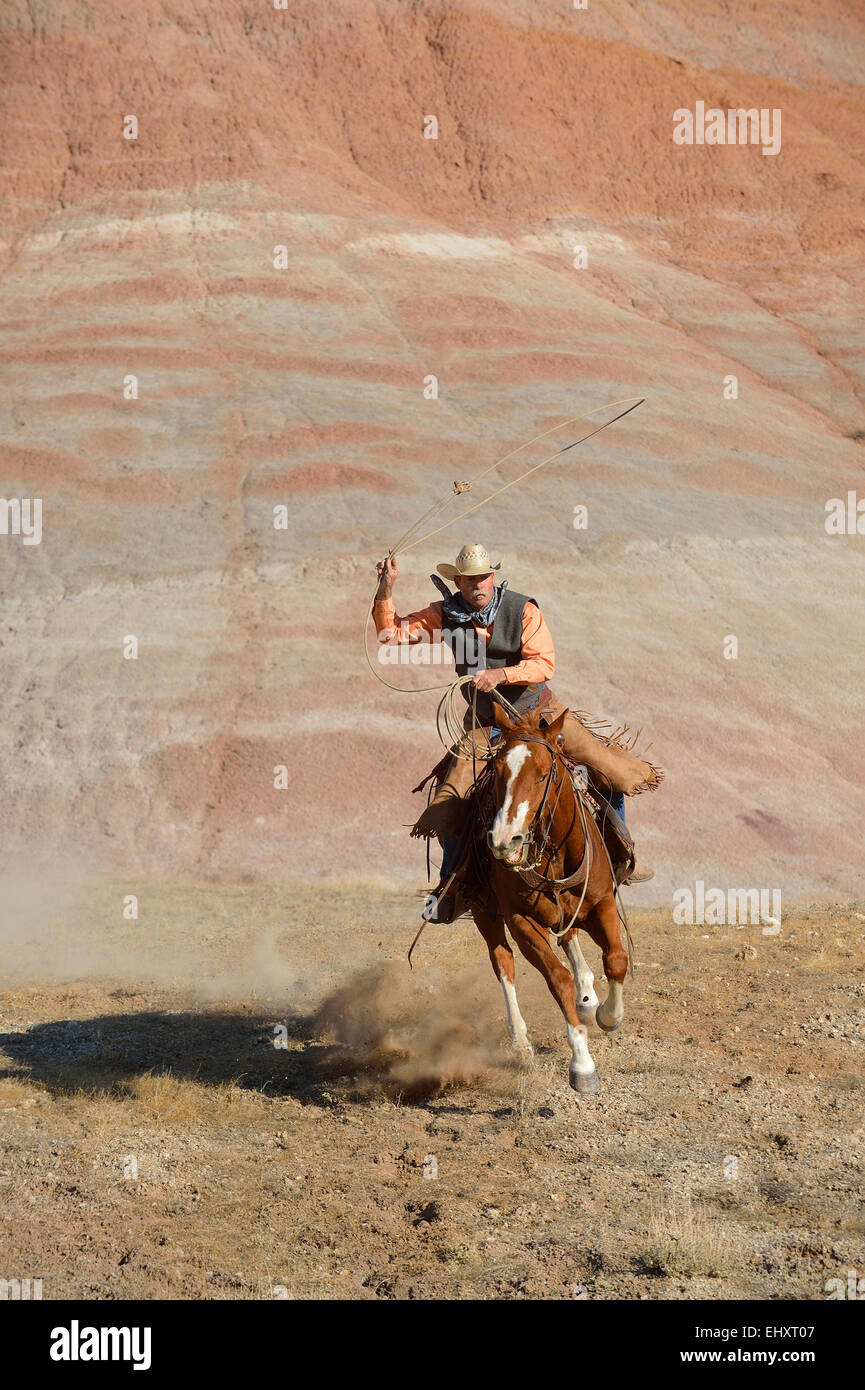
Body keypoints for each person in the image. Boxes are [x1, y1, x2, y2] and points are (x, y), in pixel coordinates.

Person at [373, 543, 663, 919]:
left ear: (493, 576)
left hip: (538, 714)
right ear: (457, 581)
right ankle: (451, 887)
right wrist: (385, 589)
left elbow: (544, 663)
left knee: (607, 769)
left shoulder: (523, 610)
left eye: (484, 576)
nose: (479, 584)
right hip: (483, 725)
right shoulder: (443, 615)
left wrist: (501, 674)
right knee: (451, 798)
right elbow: (390, 636)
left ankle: (621, 854)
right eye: (471, 579)